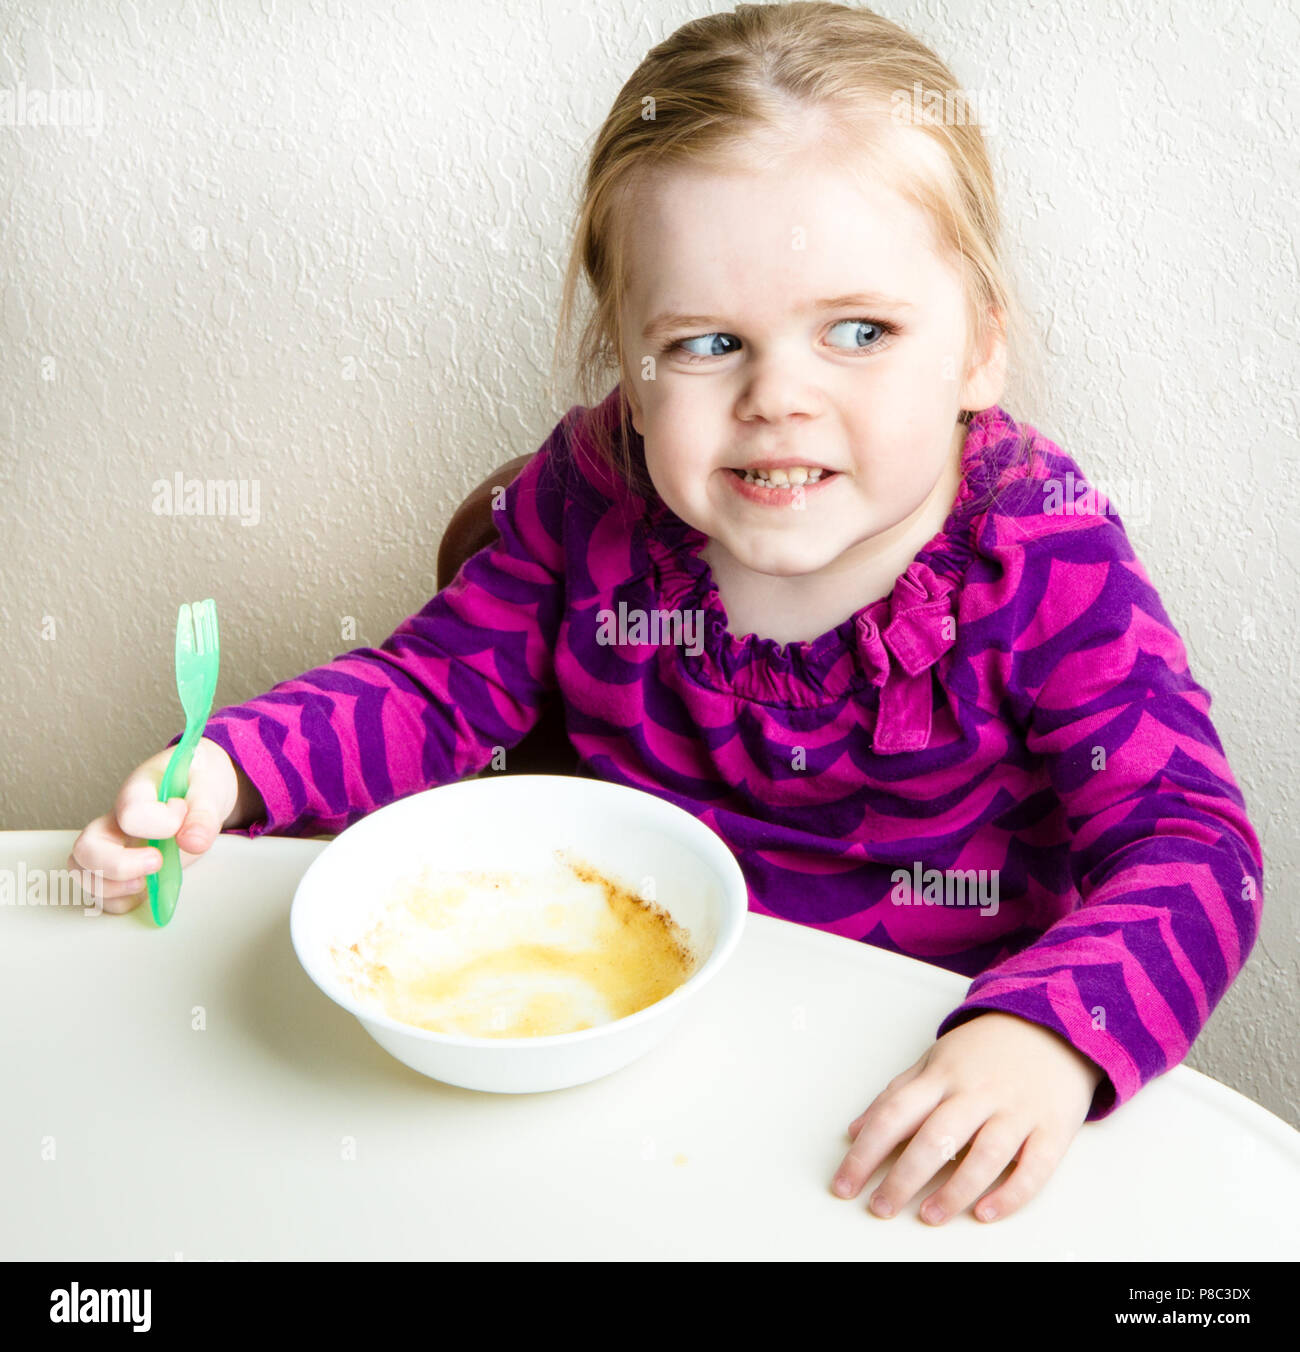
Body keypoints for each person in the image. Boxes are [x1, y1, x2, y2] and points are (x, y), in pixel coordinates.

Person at [70, 3, 1263, 1227]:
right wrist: (233, 766)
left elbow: (1192, 848)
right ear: (627, 368)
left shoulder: (1040, 558)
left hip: (908, 1111)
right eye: (705, 342)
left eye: (860, 331)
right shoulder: (595, 497)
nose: (778, 399)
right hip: (613, 1071)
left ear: (976, 351)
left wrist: (1046, 1038)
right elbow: (433, 691)